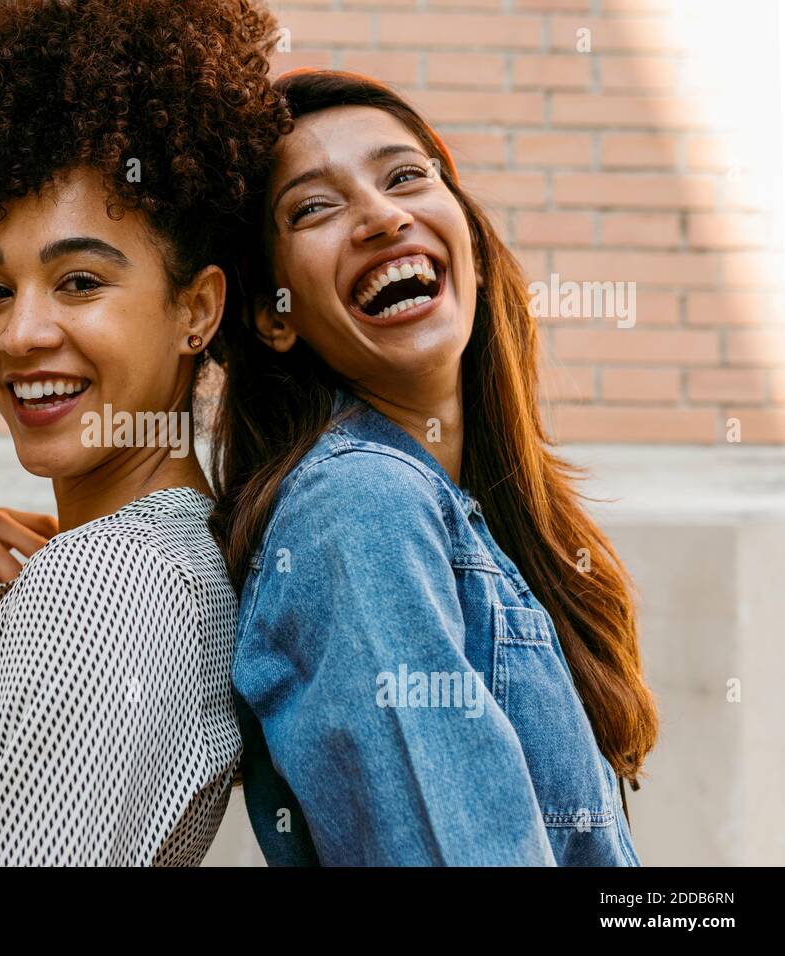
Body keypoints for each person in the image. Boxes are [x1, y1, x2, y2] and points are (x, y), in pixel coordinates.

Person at [0, 0, 290, 866]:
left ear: (197, 309)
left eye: (79, 281)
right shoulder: (165, 552)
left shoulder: (102, 584)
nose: (18, 335)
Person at [211, 69, 659, 866]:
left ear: (473, 245)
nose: (383, 217)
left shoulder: (453, 508)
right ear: (271, 319)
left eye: (406, 176)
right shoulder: (359, 507)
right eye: (313, 207)